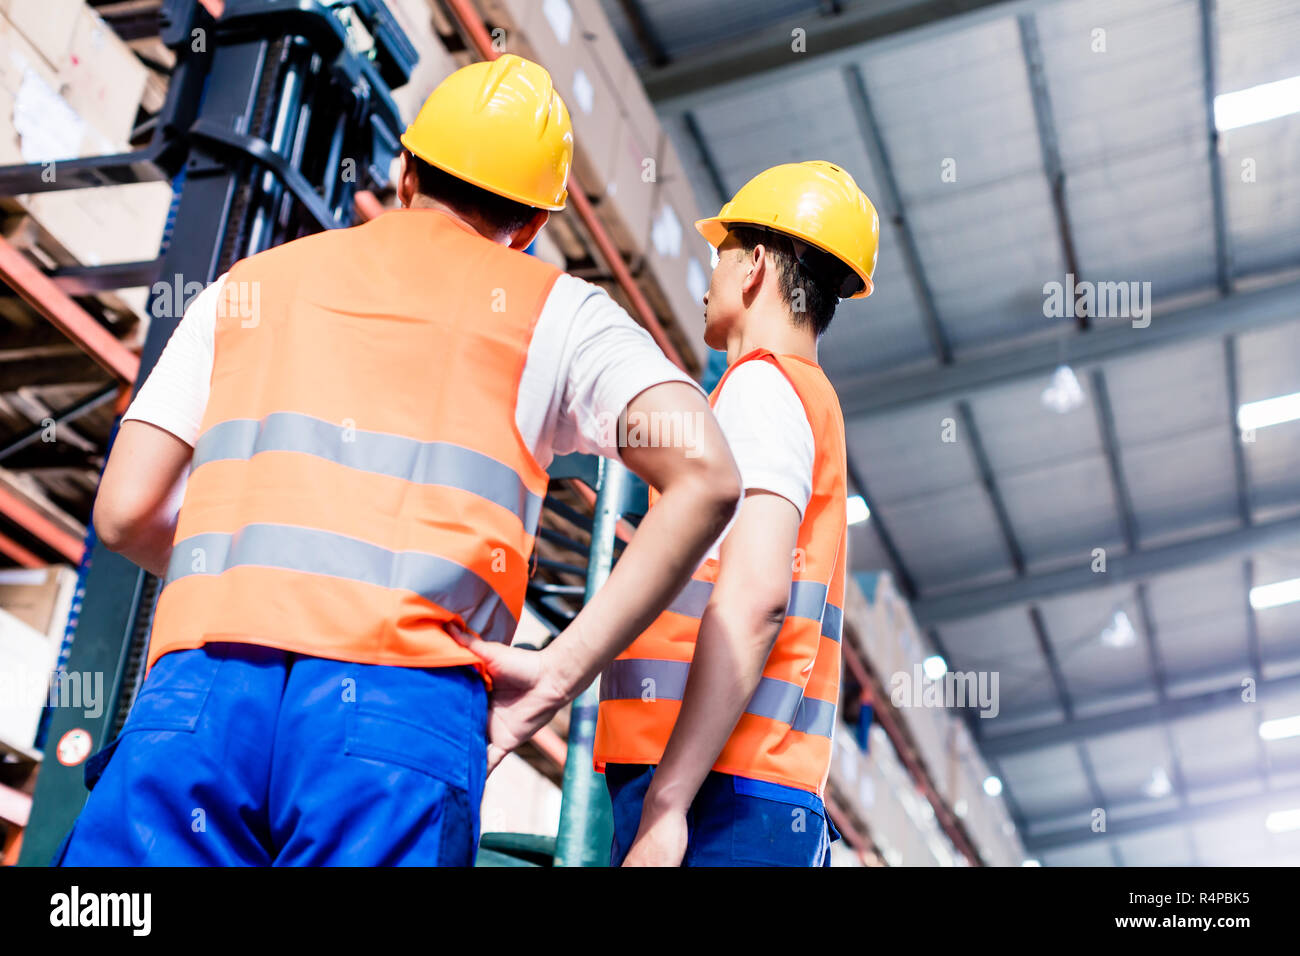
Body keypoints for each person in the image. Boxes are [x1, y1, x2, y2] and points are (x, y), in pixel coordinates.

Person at [56, 54, 739, 866]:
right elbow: (708, 474)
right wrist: (560, 673)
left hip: (198, 695)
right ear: (532, 224)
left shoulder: (251, 284)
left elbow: (125, 510)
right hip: (397, 707)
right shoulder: (558, 314)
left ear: (404, 168)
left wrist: (259, 573)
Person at [472, 161, 878, 866]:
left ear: (754, 266)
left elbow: (755, 602)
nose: (706, 281)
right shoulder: (805, 400)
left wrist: (667, 805)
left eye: (717, 258)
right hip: (744, 791)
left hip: (718, 800)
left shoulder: (762, 390)